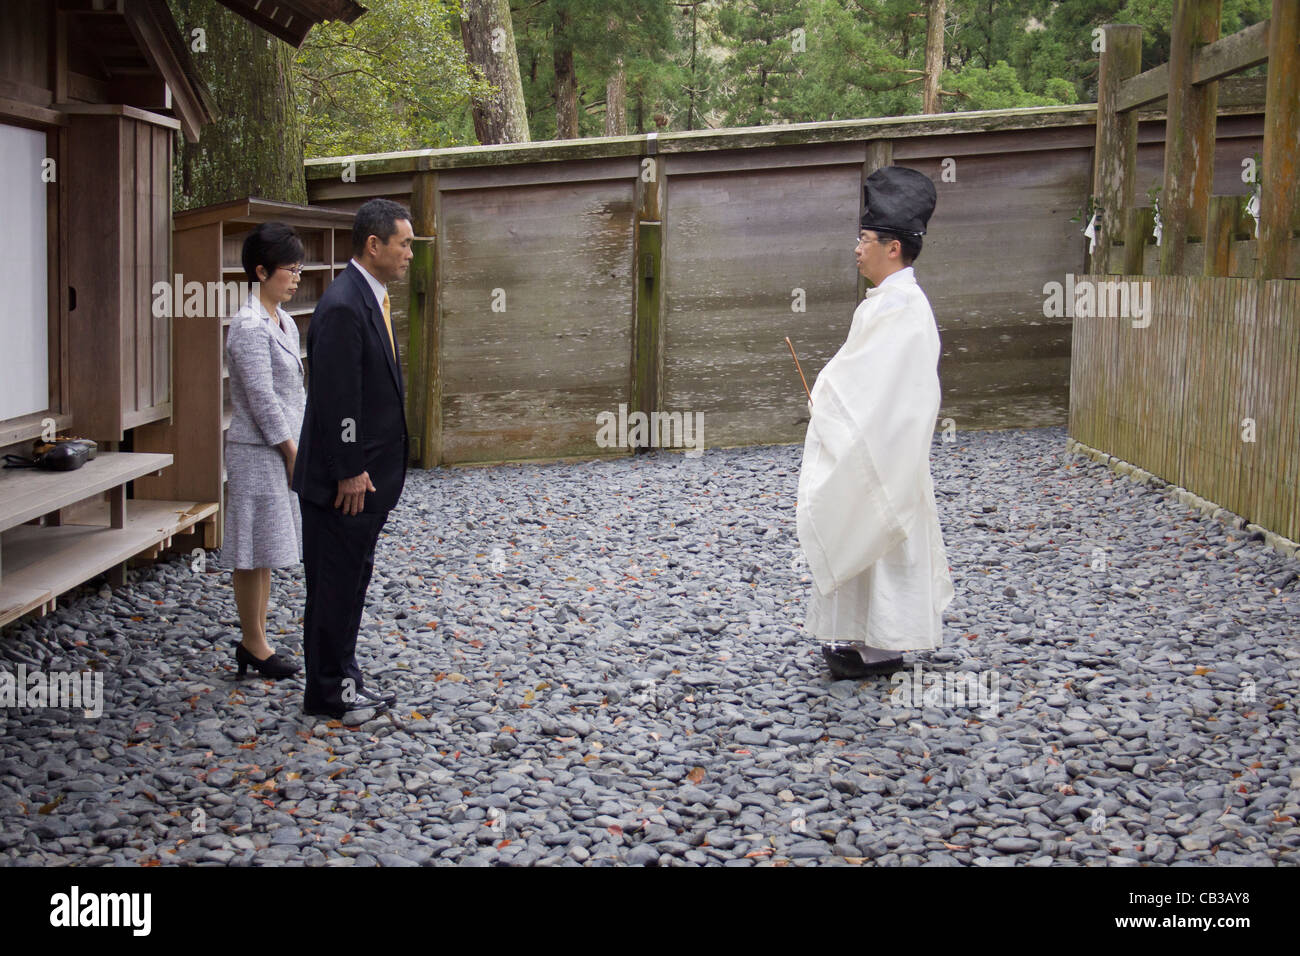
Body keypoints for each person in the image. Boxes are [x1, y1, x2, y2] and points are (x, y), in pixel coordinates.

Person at [796, 166, 954, 680]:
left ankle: (886, 648)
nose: (857, 249)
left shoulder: (904, 307)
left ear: (893, 247)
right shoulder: (888, 303)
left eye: (864, 240)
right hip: (878, 441)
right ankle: (867, 638)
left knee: (887, 530)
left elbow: (890, 390)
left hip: (889, 447)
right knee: (868, 529)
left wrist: (833, 403)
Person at [292, 198, 413, 721]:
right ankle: (328, 691)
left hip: (365, 480)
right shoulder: (344, 305)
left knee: (350, 579)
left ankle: (344, 678)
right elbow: (336, 397)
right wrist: (349, 469)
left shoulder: (371, 298)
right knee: (335, 584)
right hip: (345, 483)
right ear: (374, 244)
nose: (410, 253)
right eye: (404, 243)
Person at [224, 222, 306, 680]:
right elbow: (260, 398)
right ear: (261, 271)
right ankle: (253, 643)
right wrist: (292, 450)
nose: (296, 277)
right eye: (288, 269)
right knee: (252, 549)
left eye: (298, 269)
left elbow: (293, 390)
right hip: (258, 449)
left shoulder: (284, 320)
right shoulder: (249, 325)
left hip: (282, 446)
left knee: (268, 546)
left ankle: (257, 639)